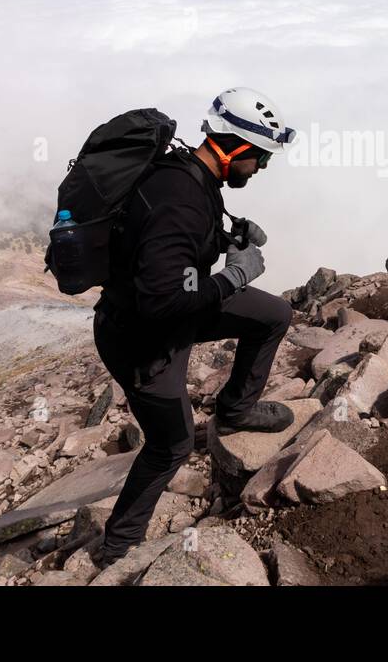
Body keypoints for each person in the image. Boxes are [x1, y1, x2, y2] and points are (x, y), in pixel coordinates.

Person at [89, 87, 298, 569]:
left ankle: (235, 410)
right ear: (237, 148)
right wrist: (236, 274)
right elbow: (163, 301)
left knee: (273, 315)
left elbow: (168, 250)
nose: (261, 169)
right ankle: (118, 546)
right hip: (142, 338)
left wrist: (228, 238)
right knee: (172, 443)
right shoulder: (182, 199)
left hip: (166, 313)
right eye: (260, 159)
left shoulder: (187, 174)